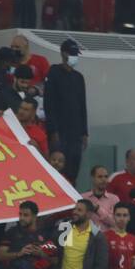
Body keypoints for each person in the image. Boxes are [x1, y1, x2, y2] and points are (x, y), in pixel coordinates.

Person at [44, 39, 88, 183]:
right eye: (72, 53)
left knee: (73, 167)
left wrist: (84, 132)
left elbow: (82, 106)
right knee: (58, 167)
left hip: (75, 132)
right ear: (64, 53)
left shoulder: (78, 77)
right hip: (60, 130)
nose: (75, 57)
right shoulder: (54, 73)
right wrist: (53, 130)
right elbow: (48, 103)